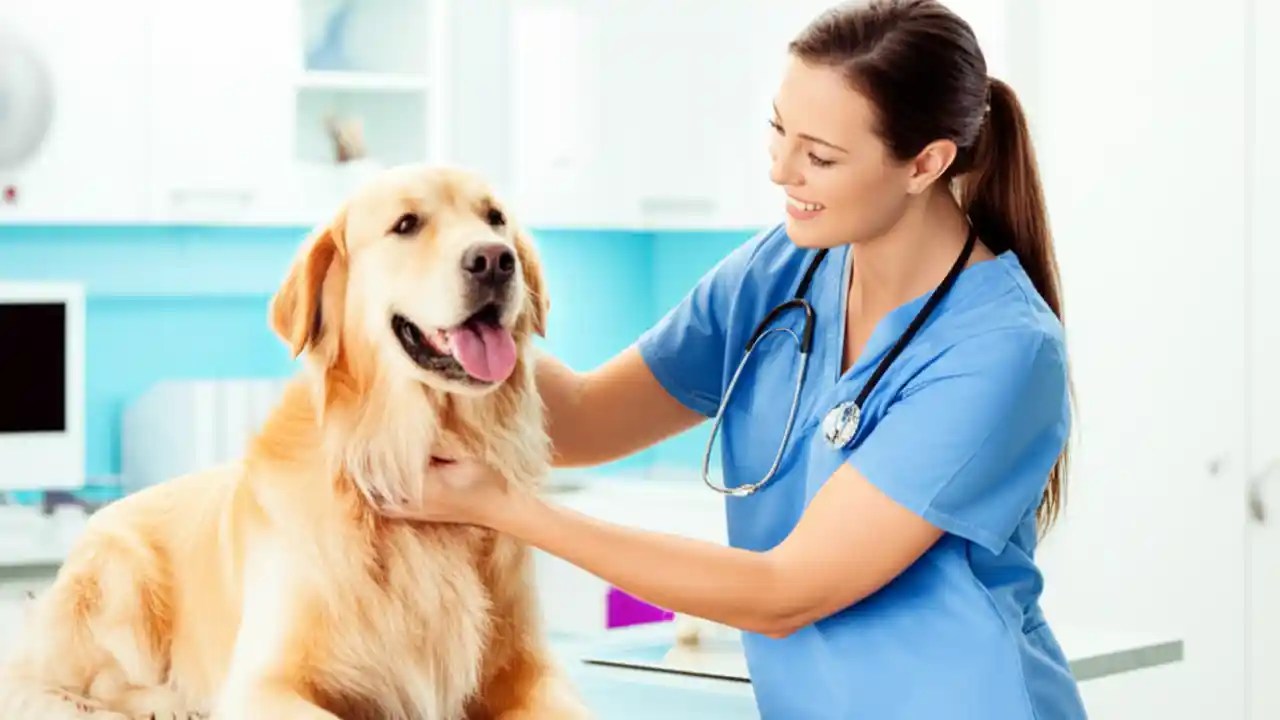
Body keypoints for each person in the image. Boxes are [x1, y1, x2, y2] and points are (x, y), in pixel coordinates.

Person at [380, 1, 1087, 717]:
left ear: (926, 163)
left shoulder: (1000, 351)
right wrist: (446, 320)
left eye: (819, 156)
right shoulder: (783, 270)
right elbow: (586, 420)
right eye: (778, 131)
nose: (782, 171)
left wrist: (505, 509)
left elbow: (787, 592)